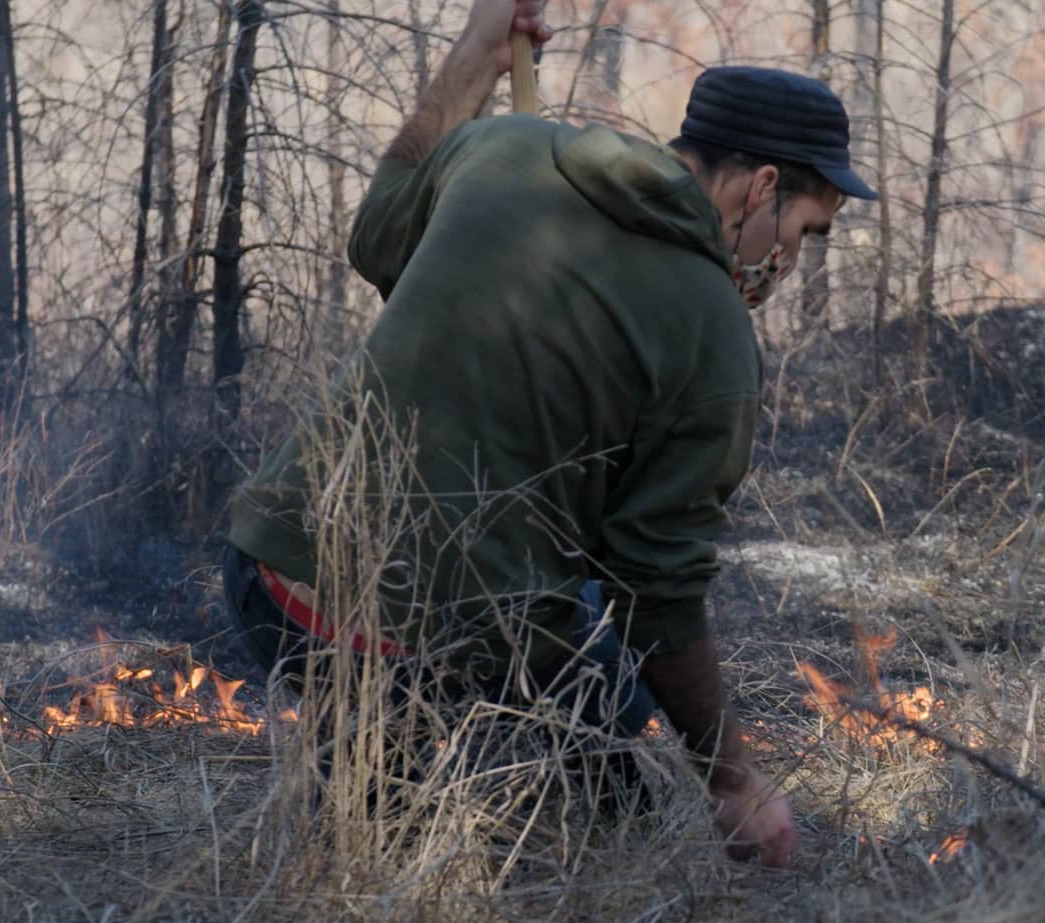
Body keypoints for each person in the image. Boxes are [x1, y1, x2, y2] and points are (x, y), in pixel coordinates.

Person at [220, 0, 875, 869]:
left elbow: (377, 230)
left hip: (268, 580)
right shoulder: (716, 333)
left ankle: (376, 774)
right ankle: (389, 798)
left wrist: (475, 61)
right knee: (609, 697)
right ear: (760, 189)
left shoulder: (506, 152)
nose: (791, 262)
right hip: (415, 646)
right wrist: (732, 779)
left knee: (583, 649)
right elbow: (659, 587)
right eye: (803, 232)